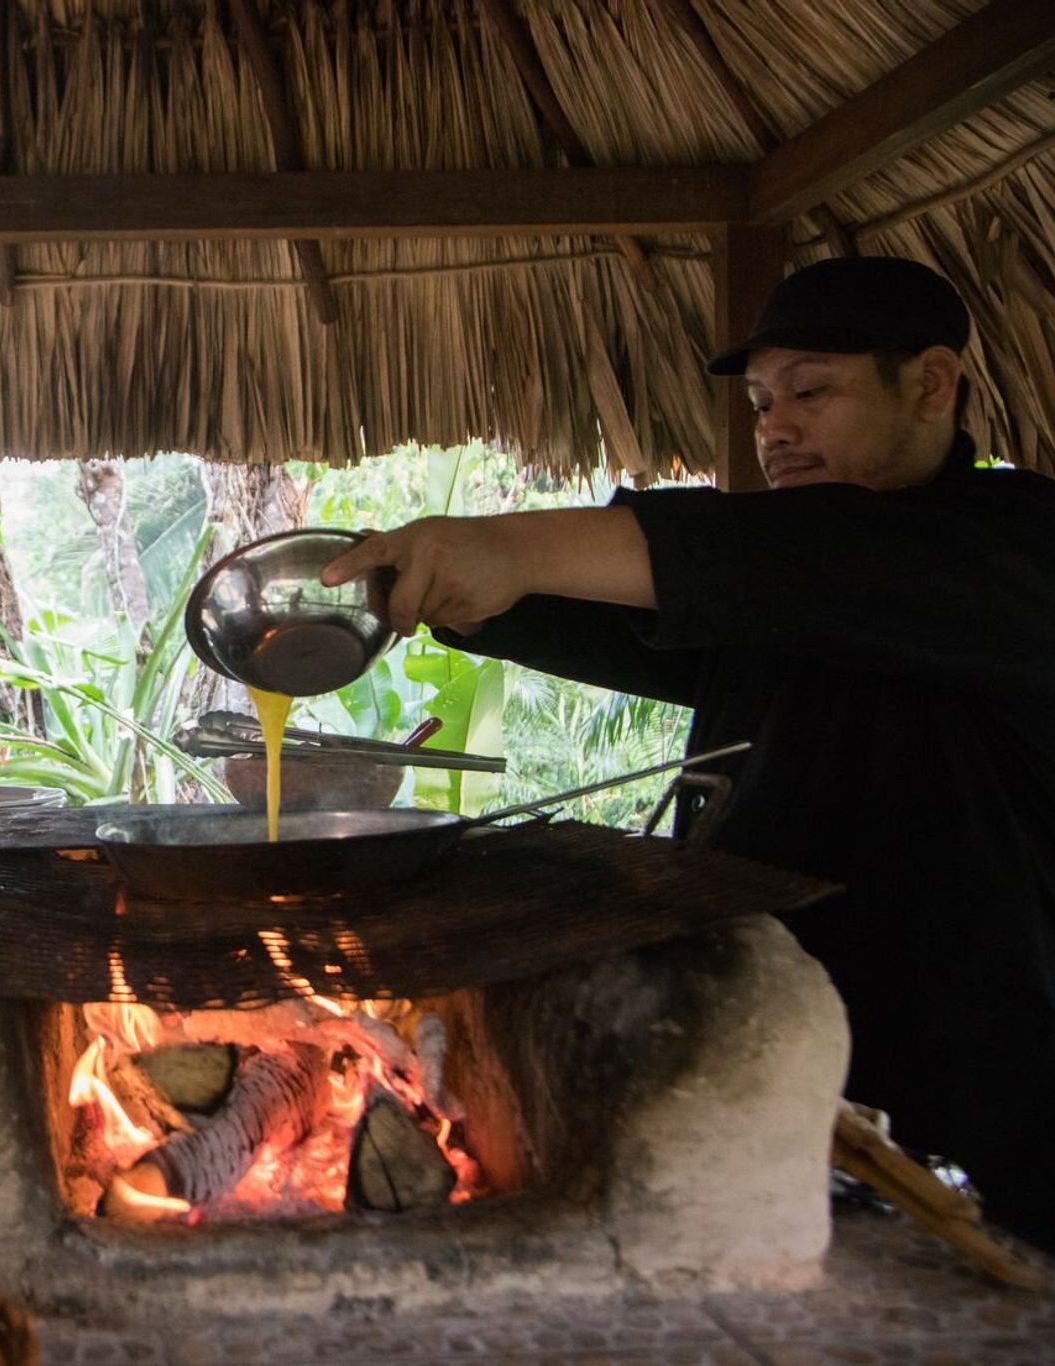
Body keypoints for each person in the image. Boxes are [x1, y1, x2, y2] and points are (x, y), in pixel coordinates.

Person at [320, 255, 1055, 1253]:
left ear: (929, 384)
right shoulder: (787, 588)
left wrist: (506, 547)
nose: (773, 426)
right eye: (758, 402)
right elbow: (643, 609)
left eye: (809, 390)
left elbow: (767, 561)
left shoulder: (1010, 545)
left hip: (970, 1096)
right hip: (764, 1060)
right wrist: (446, 586)